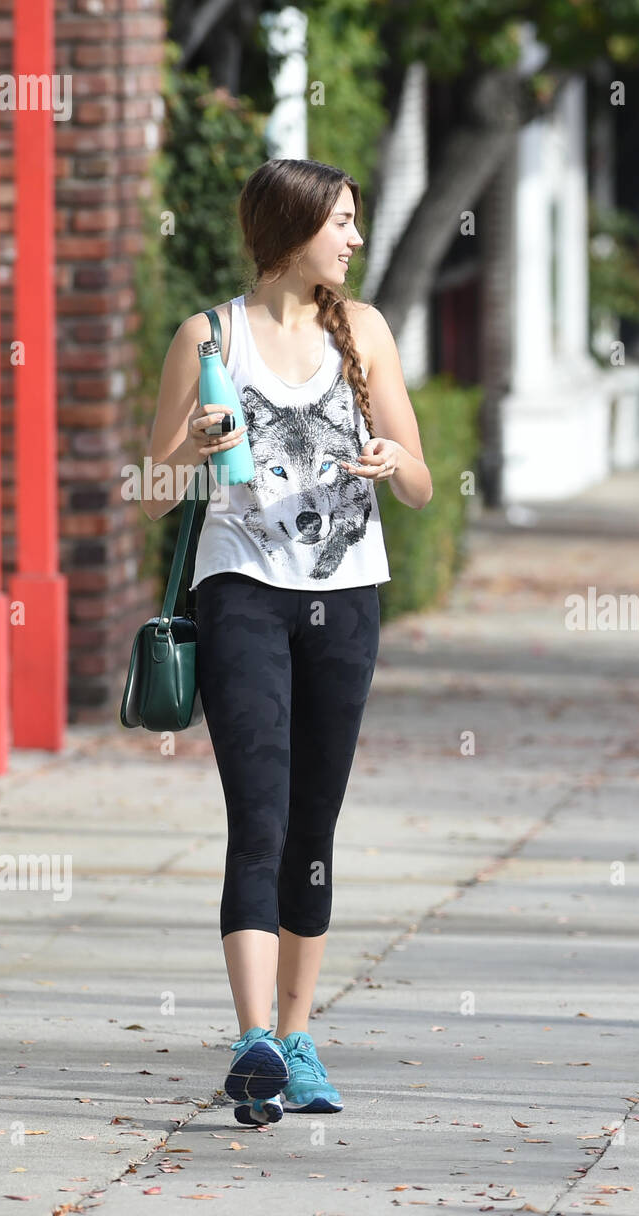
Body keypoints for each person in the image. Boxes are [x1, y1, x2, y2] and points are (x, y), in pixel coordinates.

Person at [141, 158, 432, 1126]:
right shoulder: (209, 333)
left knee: (313, 821)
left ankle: (299, 1035)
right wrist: (197, 434)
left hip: (345, 596)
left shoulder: (368, 332)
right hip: (241, 591)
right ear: (294, 226)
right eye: (342, 222)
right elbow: (156, 467)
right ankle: (253, 1037)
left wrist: (395, 460)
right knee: (257, 814)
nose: (352, 239)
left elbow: (422, 480)